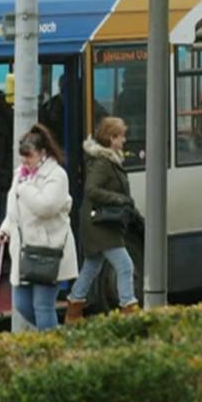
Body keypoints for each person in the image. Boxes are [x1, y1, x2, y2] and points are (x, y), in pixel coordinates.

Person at [0, 124, 78, 331]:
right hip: (24, 252)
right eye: (23, 158)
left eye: (29, 158)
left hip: (48, 250)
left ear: (43, 153)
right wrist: (6, 227)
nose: (25, 163)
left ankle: (51, 351)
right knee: (22, 305)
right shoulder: (20, 173)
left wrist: (24, 188)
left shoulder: (57, 175)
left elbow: (46, 207)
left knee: (42, 306)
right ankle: (57, 337)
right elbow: (14, 207)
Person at [65, 117, 139, 323]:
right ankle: (129, 311)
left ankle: (73, 310)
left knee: (92, 266)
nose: (124, 140)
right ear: (111, 138)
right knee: (125, 266)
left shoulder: (109, 159)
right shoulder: (103, 163)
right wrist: (119, 199)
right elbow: (91, 190)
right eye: (121, 136)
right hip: (101, 225)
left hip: (99, 224)